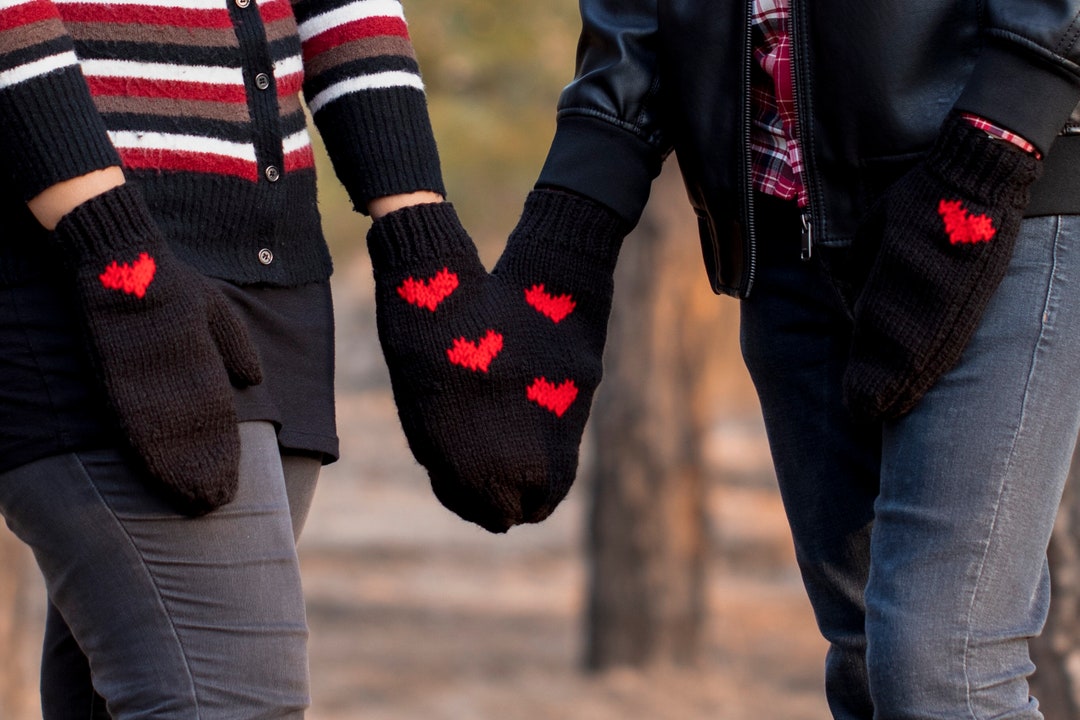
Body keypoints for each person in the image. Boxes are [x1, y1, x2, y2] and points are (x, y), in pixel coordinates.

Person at [363, 1, 1080, 717]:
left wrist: (991, 149)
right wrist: (568, 228)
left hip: (997, 200)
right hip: (784, 238)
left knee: (939, 667)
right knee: (868, 663)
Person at [0, 0, 444, 715]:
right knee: (230, 697)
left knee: (147, 683)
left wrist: (422, 228)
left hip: (275, 264)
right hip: (84, 248)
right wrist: (112, 245)